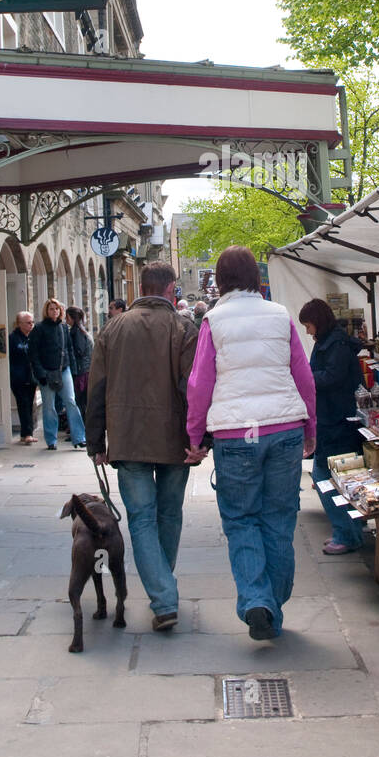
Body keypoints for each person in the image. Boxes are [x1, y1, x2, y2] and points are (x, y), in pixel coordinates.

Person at [186, 245, 316, 641]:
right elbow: (303, 376)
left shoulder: (213, 320)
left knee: (241, 520)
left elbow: (200, 384)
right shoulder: (280, 316)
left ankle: (258, 599)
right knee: (279, 518)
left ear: (220, 280)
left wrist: (194, 438)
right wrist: (311, 431)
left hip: (236, 435)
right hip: (284, 429)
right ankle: (271, 603)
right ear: (256, 277)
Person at [85, 262, 198, 630]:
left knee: (142, 520)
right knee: (169, 514)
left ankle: (163, 593)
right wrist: (200, 438)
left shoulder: (113, 328)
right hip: (175, 438)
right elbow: (192, 388)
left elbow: (95, 389)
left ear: (142, 288)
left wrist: (95, 440)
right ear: (170, 289)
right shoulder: (184, 328)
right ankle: (164, 594)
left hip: (128, 436)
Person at [300, 298, 366, 554]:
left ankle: (346, 534)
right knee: (337, 477)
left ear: (318, 322)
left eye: (308, 325)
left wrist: (305, 377)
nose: (307, 331)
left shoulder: (335, 345)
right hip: (334, 419)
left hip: (337, 420)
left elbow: (332, 377)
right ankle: (348, 531)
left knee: (326, 477)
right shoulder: (331, 342)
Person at [28, 298, 87, 450]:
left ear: (60, 311)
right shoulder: (39, 329)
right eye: (51, 309)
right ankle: (51, 440)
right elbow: (33, 353)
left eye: (57, 309)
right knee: (49, 406)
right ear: (46, 311)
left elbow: (69, 350)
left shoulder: (63, 328)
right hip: (46, 371)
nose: (54, 311)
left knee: (71, 402)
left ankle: (79, 437)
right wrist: (40, 372)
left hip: (64, 369)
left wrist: (73, 370)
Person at [8, 311, 37, 445]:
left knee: (29, 404)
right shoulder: (13, 338)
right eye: (28, 323)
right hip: (18, 377)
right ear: (19, 324)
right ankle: (27, 433)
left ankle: (26, 433)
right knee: (23, 404)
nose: (31, 325)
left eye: (32, 322)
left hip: (30, 377)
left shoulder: (33, 337)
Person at [66, 306, 93, 419]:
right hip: (84, 370)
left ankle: (81, 430)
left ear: (71, 318)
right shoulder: (81, 330)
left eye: (66, 317)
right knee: (82, 402)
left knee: (79, 402)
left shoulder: (76, 332)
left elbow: (79, 351)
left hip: (81, 372)